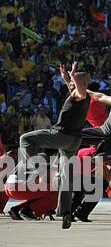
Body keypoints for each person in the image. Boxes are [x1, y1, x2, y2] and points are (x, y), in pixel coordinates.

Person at [19, 62, 91, 229]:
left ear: (78, 83)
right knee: (66, 178)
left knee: (25, 139)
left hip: (62, 136)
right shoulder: (77, 95)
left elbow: (79, 90)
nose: (70, 85)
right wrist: (67, 78)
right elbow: (75, 88)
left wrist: (73, 76)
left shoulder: (82, 95)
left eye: (73, 82)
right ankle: (66, 212)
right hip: (73, 142)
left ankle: (41, 169)